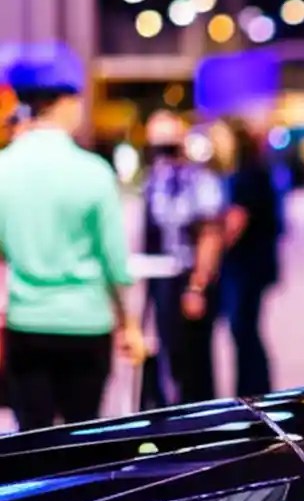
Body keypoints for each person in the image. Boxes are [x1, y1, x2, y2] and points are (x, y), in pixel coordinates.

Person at [0, 47, 145, 431]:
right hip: (86, 323)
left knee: (31, 438)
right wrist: (129, 324)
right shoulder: (93, 172)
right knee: (82, 436)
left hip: (26, 322)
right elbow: (113, 258)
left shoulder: (4, 169)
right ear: (64, 102)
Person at [139, 110, 224, 407]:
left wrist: (197, 285)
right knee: (165, 355)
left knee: (195, 360)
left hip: (189, 277)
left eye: (169, 146)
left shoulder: (199, 181)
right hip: (160, 277)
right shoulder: (153, 180)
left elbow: (210, 234)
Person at [222, 119, 284, 397]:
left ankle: (253, 390)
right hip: (255, 263)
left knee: (243, 327)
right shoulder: (257, 171)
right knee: (246, 327)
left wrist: (210, 246)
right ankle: (252, 387)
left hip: (247, 265)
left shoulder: (246, 176)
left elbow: (236, 222)